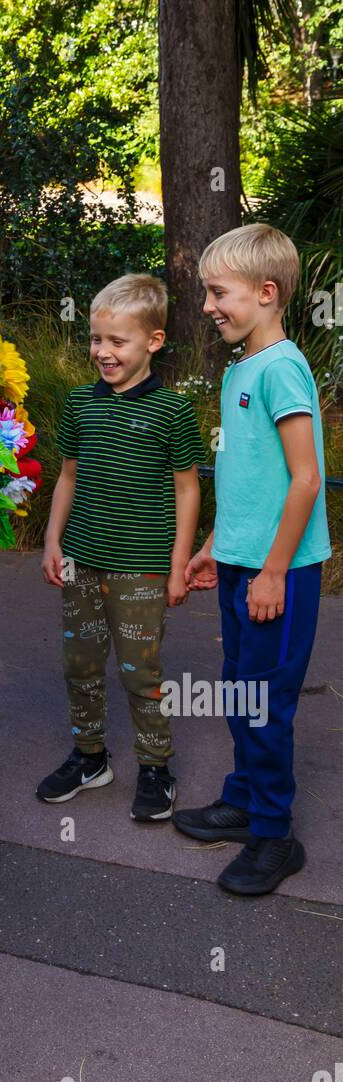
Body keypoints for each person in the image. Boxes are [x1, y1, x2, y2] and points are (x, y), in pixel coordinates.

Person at [173, 224, 331, 896]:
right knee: (240, 692)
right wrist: (214, 546)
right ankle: (242, 799)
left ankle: (273, 833)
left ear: (266, 293)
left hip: (280, 570)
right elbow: (242, 476)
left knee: (264, 703)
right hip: (243, 562)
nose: (208, 305)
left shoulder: (282, 367)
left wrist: (270, 570)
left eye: (218, 292)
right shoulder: (242, 367)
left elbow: (305, 479)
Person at [37, 273, 205, 821]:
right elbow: (67, 477)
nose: (103, 352)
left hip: (143, 566)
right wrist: (52, 540)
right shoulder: (80, 403)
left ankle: (155, 767)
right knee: (79, 666)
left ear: (153, 342)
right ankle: (91, 759)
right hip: (82, 559)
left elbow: (188, 487)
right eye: (96, 340)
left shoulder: (172, 411)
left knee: (140, 673)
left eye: (117, 341)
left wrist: (179, 564)